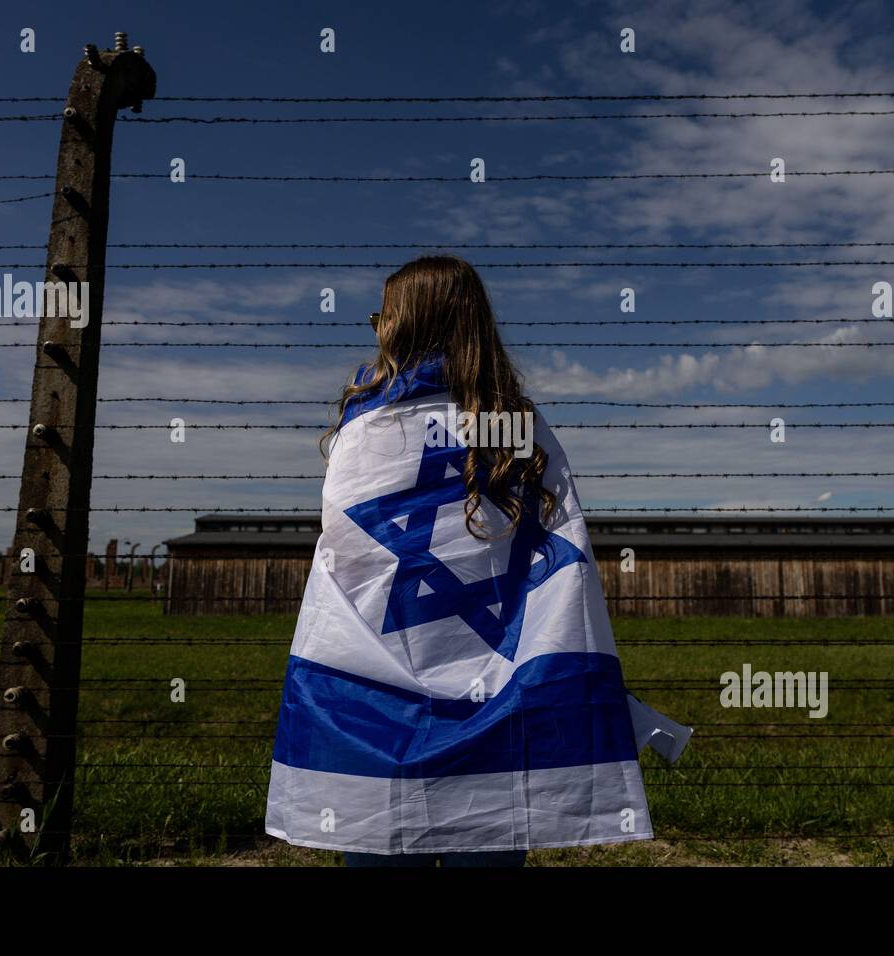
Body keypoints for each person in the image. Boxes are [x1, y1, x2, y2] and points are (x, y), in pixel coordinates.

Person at [263, 255, 691, 868]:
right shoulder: (520, 428)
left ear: (404, 324)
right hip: (500, 698)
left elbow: (348, 563)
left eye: (381, 316)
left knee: (381, 844)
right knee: (488, 833)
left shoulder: (366, 430)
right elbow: (559, 562)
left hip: (379, 706)